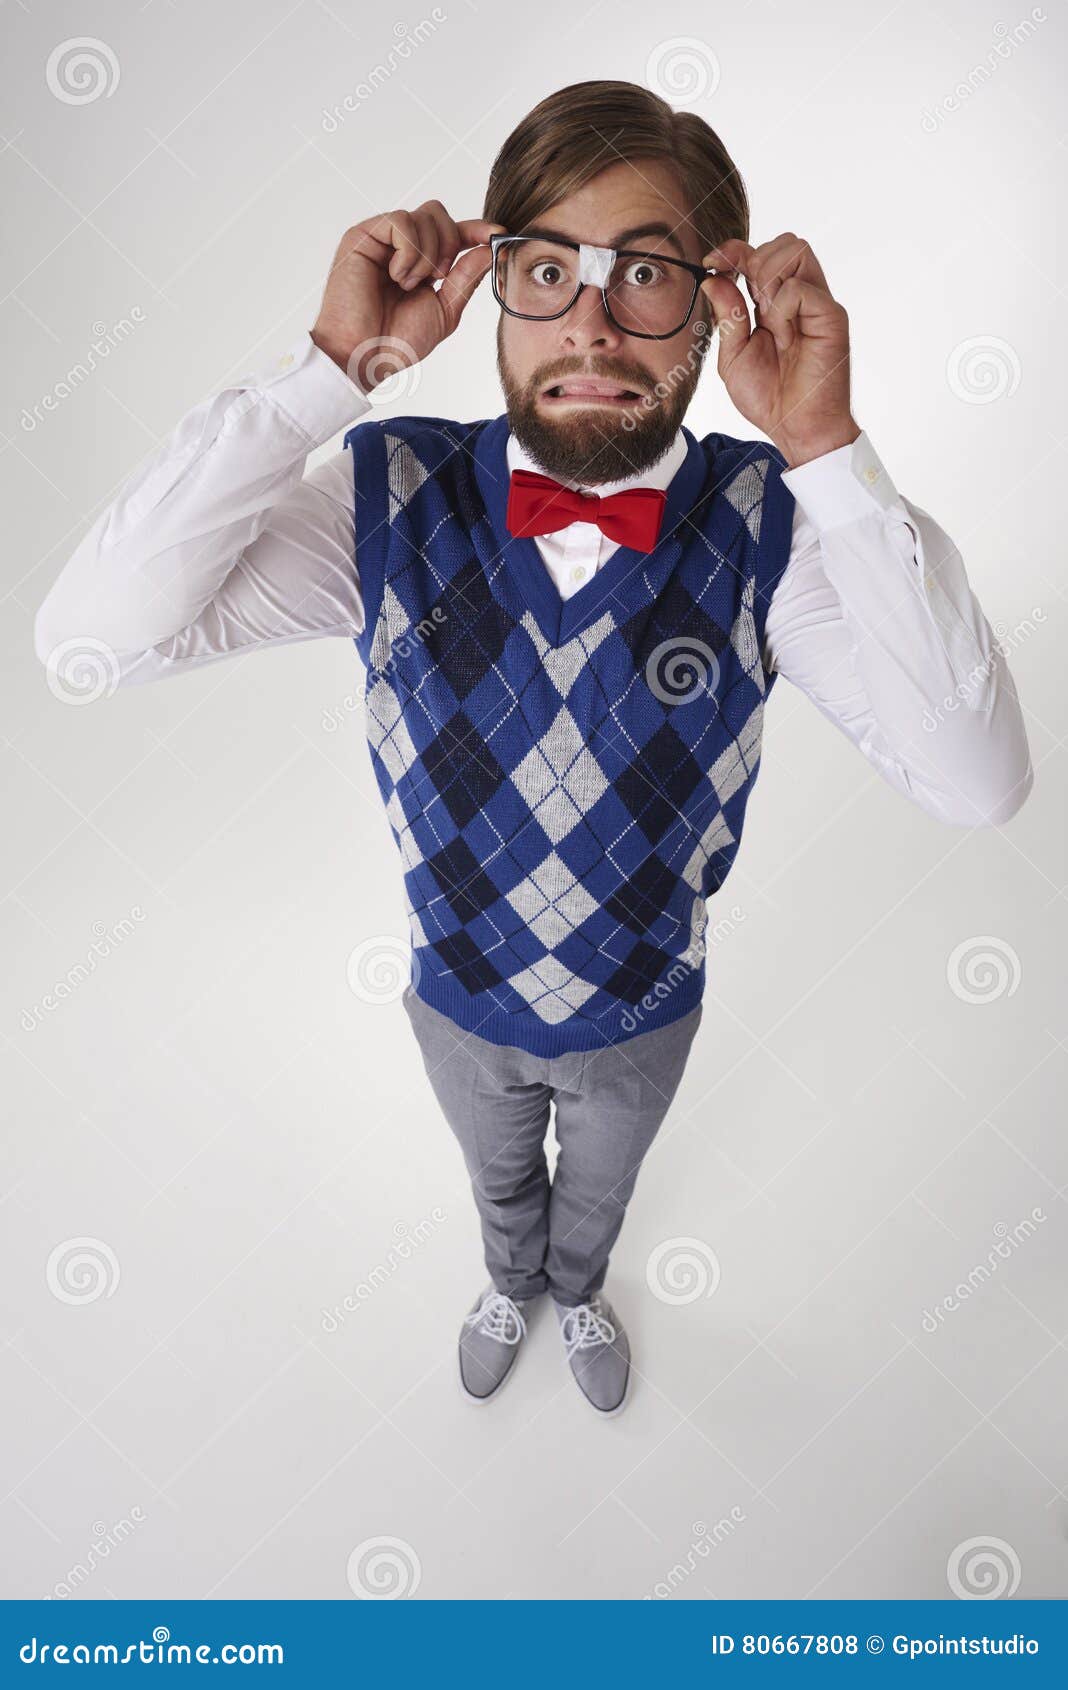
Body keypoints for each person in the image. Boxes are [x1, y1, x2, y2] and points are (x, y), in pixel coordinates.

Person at [34, 80, 1032, 1418]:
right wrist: (332, 369)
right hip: (455, 1004)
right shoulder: (389, 497)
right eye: (551, 268)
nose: (594, 322)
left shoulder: (772, 528)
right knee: (495, 1177)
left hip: (644, 1013)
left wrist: (824, 446)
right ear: (494, 277)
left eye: (649, 277)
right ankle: (508, 1275)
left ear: (718, 301)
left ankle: (581, 1281)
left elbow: (979, 783)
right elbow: (87, 640)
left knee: (597, 1194)